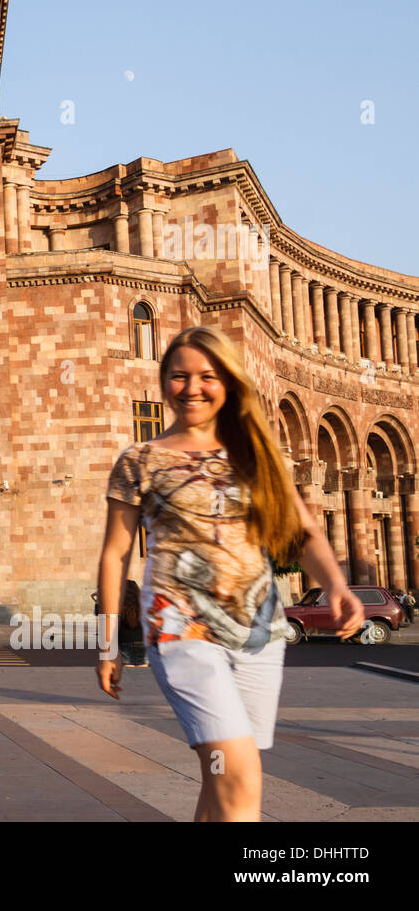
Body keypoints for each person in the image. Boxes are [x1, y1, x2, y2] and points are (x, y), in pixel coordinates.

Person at [97, 326, 363, 822]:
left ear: (228, 383)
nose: (191, 388)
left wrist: (336, 585)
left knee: (221, 781)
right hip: (181, 629)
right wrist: (110, 644)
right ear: (164, 381)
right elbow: (115, 555)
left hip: (260, 631)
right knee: (240, 779)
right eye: (179, 376)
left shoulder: (259, 456)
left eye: (206, 376)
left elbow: (303, 533)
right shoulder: (139, 461)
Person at [119, 580, 147, 666]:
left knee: (129, 674)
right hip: (142, 641)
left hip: (125, 642)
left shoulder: (119, 606)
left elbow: (100, 613)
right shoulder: (143, 604)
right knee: (144, 674)